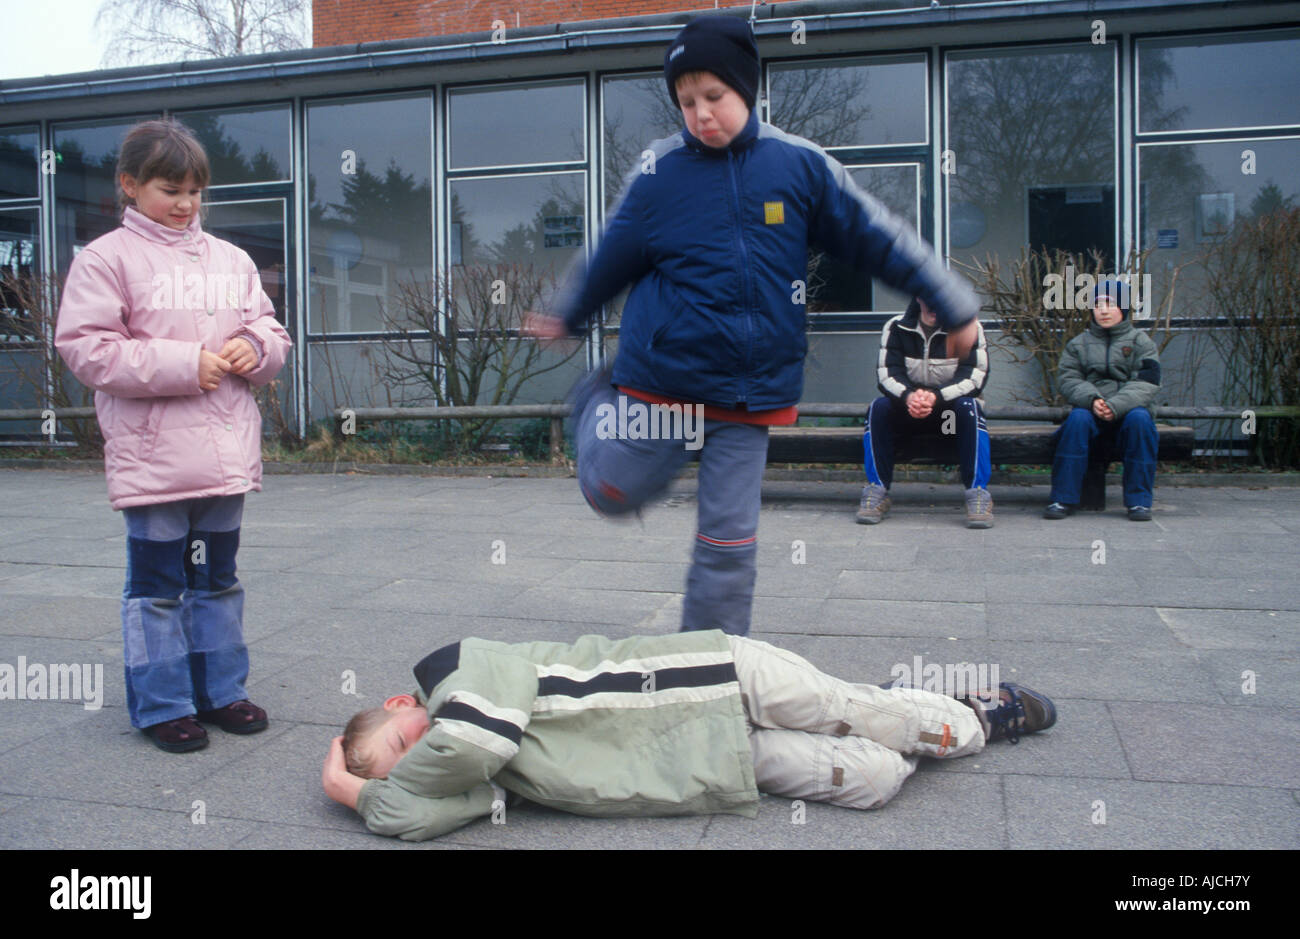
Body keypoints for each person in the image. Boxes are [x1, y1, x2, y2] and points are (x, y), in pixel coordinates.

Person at [527, 15, 981, 636]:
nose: (700, 114)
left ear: (747, 87)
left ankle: (708, 673)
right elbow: (612, 254)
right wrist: (570, 310)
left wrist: (951, 300)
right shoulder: (661, 173)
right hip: (664, 383)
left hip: (750, 394)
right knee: (611, 490)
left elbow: (878, 237)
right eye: (686, 102)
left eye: (714, 97)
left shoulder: (797, 166)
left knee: (729, 547)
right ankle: (591, 399)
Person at [321, 630, 1056, 841]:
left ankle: (986, 712)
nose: (422, 754)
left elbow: (473, 742)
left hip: (715, 673)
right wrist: (355, 791)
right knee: (873, 780)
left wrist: (365, 789)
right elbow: (422, 814)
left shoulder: (453, 671)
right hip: (713, 755)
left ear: (399, 700)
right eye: (405, 764)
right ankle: (897, 701)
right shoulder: (475, 783)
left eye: (405, 738)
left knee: (913, 726)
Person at [55, 119, 292, 752]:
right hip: (155, 459)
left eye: (195, 191)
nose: (185, 204)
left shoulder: (232, 258)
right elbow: (88, 351)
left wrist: (254, 347)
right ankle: (162, 704)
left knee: (218, 578)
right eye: (170, 190)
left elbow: (272, 332)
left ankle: (221, 691)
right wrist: (185, 365)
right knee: (158, 588)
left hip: (225, 455)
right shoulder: (106, 259)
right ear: (130, 185)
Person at [858, 296, 992, 527]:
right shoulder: (895, 327)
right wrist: (910, 397)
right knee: (878, 408)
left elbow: (974, 377)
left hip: (948, 420)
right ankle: (876, 490)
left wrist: (936, 397)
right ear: (918, 298)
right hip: (909, 413)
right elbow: (887, 374)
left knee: (969, 407)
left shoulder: (969, 329)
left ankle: (978, 492)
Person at [1044, 278, 1160, 522]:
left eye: (1110, 303)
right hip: (1091, 411)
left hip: (1128, 413)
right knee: (1077, 419)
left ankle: (1139, 502)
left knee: (1141, 419)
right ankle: (1062, 498)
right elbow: (1068, 379)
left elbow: (1147, 382)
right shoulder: (1078, 344)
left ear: (1124, 308)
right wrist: (1093, 399)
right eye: (1098, 304)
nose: (1104, 310)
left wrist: (1115, 406)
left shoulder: (1142, 343)